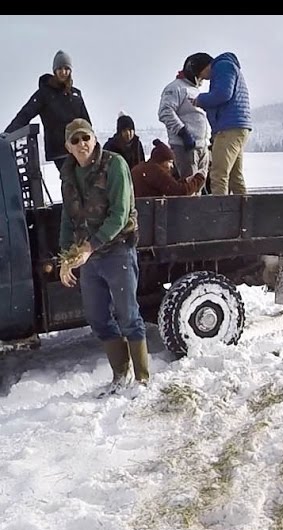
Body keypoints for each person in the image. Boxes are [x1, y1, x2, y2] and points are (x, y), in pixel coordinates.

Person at [56, 118, 149, 395]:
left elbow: (120, 213)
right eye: (75, 140)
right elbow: (67, 219)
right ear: (68, 147)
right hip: (89, 257)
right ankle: (121, 374)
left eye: (85, 138)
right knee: (97, 317)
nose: (82, 144)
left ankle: (142, 380)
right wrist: (65, 257)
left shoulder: (114, 164)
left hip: (117, 249)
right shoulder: (69, 175)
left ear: (94, 138)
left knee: (128, 315)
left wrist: (89, 247)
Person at [4, 50, 91, 173]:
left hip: (79, 146)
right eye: (60, 69)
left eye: (66, 69)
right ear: (54, 71)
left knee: (86, 183)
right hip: (59, 150)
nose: (63, 72)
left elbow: (86, 122)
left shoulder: (76, 94)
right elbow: (25, 115)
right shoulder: (44, 94)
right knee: (70, 181)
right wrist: (7, 136)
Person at [193, 51, 251, 195]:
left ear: (204, 67)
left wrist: (200, 100)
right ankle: (245, 213)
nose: (203, 79)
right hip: (238, 126)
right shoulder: (228, 66)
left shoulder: (222, 66)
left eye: (200, 74)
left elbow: (223, 94)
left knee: (218, 175)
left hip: (228, 128)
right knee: (234, 177)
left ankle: (220, 214)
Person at [158, 53, 212, 194]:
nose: (209, 74)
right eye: (207, 69)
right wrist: (183, 132)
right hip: (185, 146)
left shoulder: (195, 90)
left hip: (202, 145)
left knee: (199, 186)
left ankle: (199, 214)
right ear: (196, 68)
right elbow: (165, 111)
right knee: (189, 187)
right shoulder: (175, 88)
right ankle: (189, 215)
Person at [131, 139, 204, 198]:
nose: (172, 166)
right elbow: (180, 191)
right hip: (150, 212)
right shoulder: (155, 170)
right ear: (161, 160)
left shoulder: (142, 167)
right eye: (170, 162)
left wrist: (185, 181)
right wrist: (198, 179)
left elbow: (171, 185)